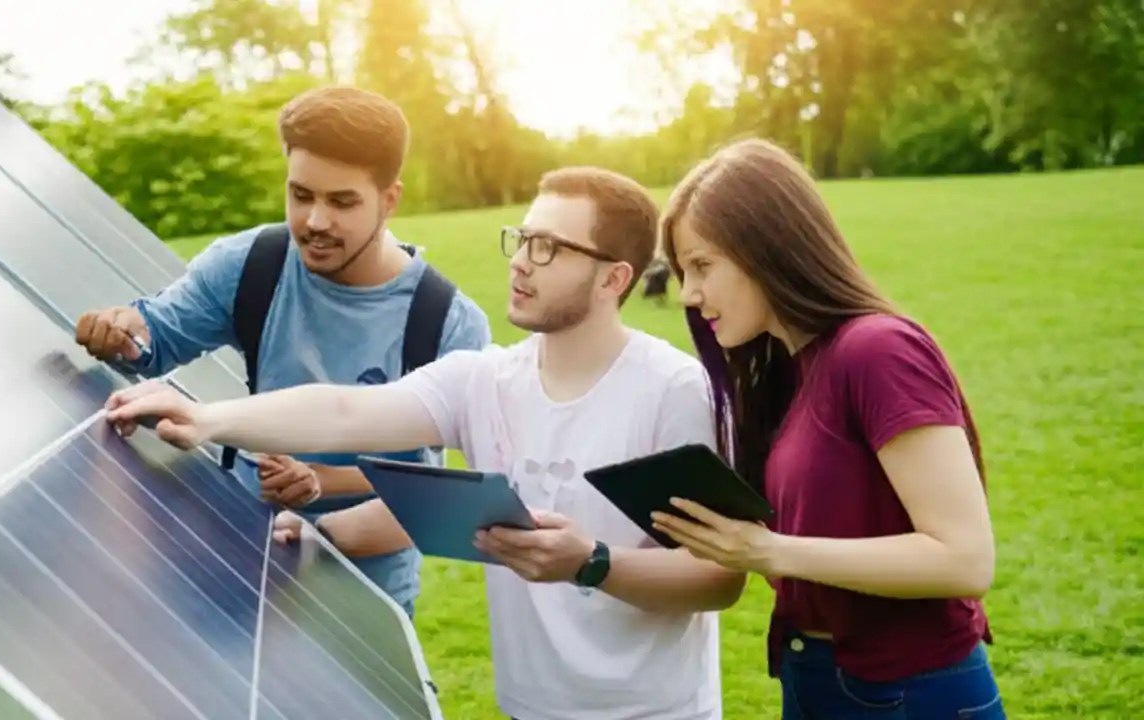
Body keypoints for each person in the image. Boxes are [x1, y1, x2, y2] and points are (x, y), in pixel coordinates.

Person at [104, 166, 748, 720]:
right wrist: (209, 419)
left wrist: (591, 562)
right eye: (522, 239)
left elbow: (716, 577)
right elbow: (344, 411)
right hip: (528, 707)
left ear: (613, 279)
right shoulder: (485, 379)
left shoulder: (675, 389)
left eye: (549, 247)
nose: (521, 260)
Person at [73, 85, 491, 618]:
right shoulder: (252, 265)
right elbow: (156, 338)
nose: (315, 221)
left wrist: (322, 485)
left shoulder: (447, 323)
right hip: (235, 564)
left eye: (342, 202)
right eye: (301, 195)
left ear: (389, 200)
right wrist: (127, 333)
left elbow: (448, 493)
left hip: (363, 603)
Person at [651, 138, 1005, 719]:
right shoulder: (790, 370)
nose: (689, 294)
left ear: (766, 247)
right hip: (819, 680)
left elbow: (965, 559)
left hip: (910, 695)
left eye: (702, 266)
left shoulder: (877, 350)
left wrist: (772, 551)